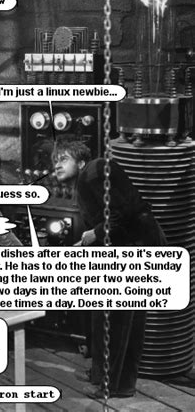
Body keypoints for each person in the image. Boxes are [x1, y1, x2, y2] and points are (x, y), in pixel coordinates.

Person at [53, 139, 166, 399]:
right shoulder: (87, 178)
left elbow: (121, 213)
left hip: (136, 249)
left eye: (64, 159)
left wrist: (94, 233)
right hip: (133, 247)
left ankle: (114, 385)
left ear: (81, 162)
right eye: (55, 161)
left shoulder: (92, 172)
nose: (57, 165)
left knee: (118, 321)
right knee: (120, 320)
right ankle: (107, 378)